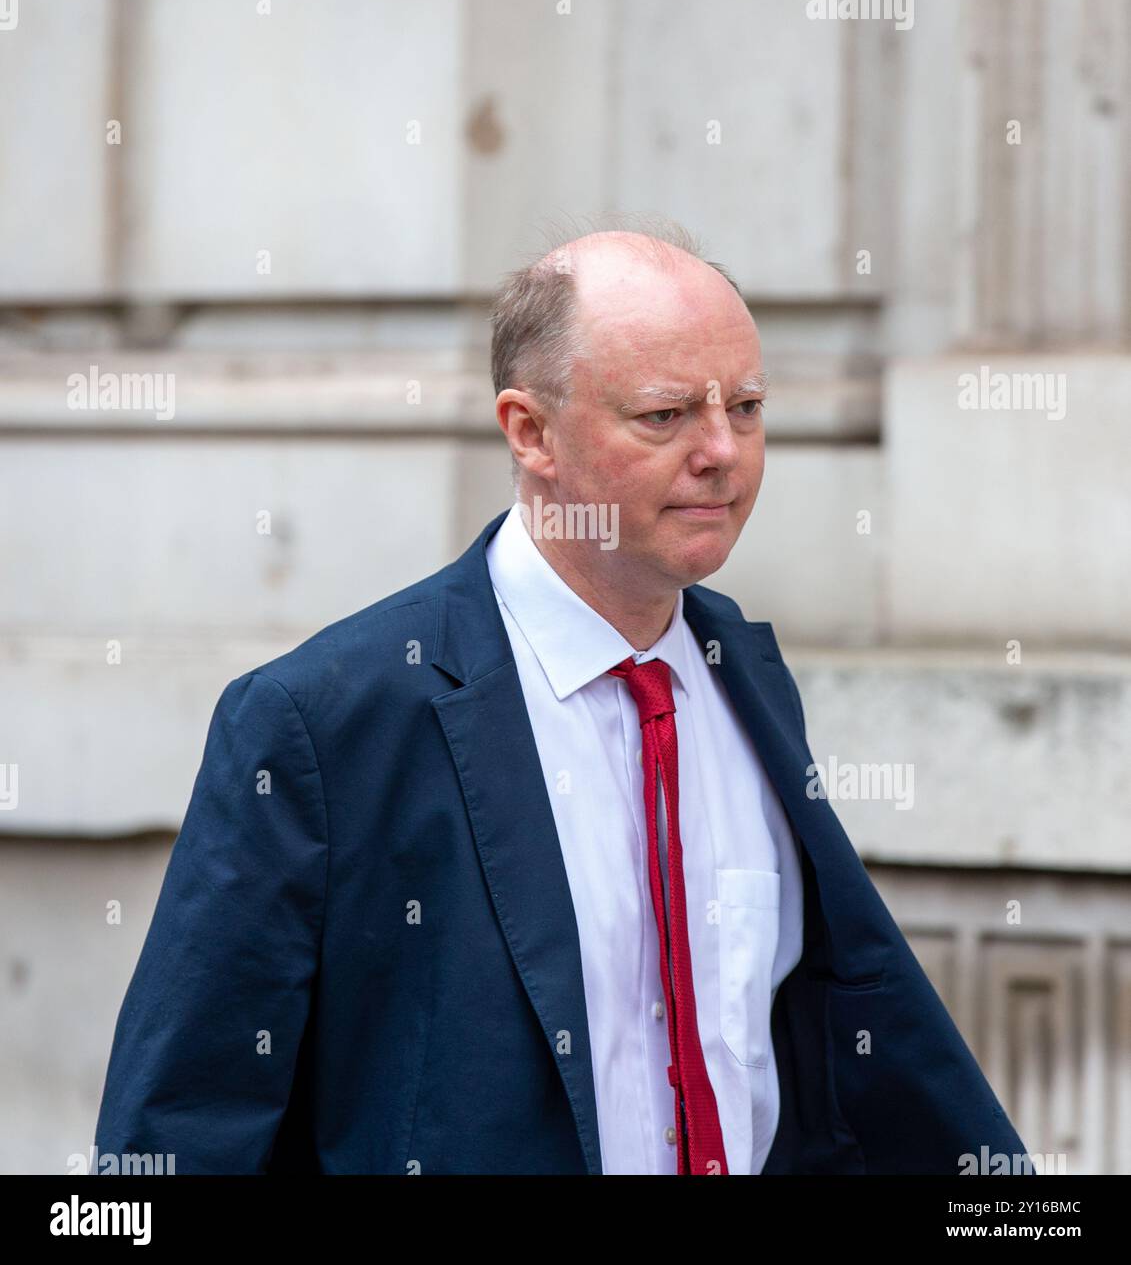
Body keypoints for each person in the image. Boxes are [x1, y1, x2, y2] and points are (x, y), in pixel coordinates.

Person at [94, 224, 1031, 1174]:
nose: (722, 450)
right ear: (529, 431)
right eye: (664, 416)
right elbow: (181, 1128)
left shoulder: (741, 673)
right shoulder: (322, 723)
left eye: (745, 407)